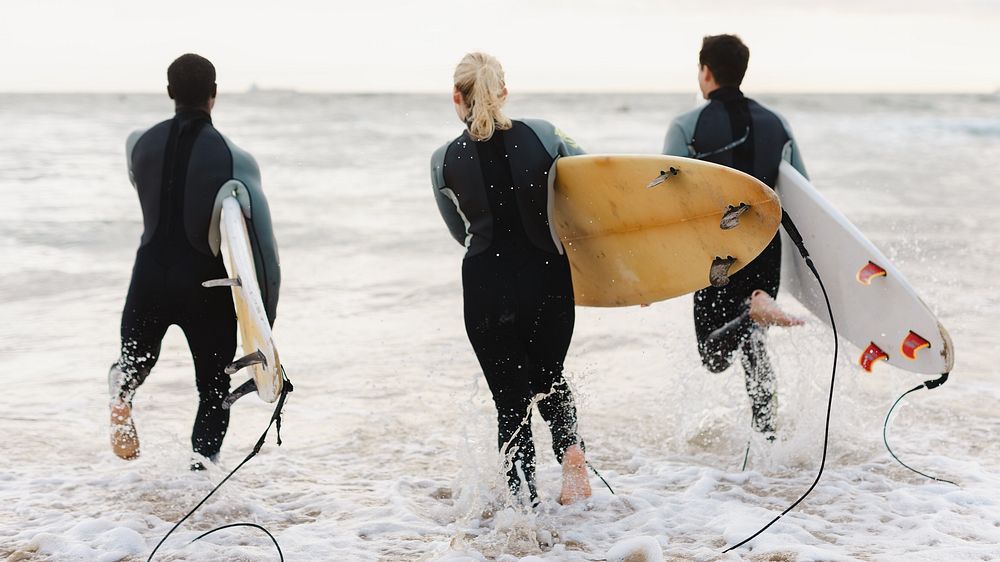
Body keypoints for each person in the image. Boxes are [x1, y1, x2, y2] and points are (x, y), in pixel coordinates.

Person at [430, 52, 591, 505]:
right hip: (548, 278)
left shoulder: (442, 160)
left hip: (486, 285)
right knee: (549, 377)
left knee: (511, 405)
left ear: (456, 96)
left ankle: (524, 516)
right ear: (504, 91)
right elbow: (598, 184)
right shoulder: (545, 134)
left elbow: (460, 232)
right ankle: (571, 452)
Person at [108, 53, 280, 467]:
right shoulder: (235, 158)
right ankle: (200, 471)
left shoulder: (137, 144)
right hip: (203, 286)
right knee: (214, 389)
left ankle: (121, 394)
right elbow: (264, 253)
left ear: (169, 91)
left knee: (135, 361)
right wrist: (265, 328)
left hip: (147, 277)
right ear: (214, 93)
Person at [662, 35, 807, 439]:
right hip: (765, 247)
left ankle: (750, 314)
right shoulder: (777, 124)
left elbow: (664, 202)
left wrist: (655, 268)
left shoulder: (686, 126)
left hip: (716, 251)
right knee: (753, 347)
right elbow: (801, 193)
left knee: (713, 354)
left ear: (705, 72)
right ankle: (767, 439)